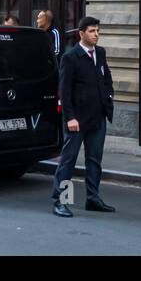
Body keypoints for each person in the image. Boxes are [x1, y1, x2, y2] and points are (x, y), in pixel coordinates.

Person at [52, 16, 115, 217]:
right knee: (68, 161)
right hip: (76, 119)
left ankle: (93, 198)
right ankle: (61, 201)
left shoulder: (101, 53)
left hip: (98, 118)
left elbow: (107, 78)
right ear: (81, 34)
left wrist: (108, 97)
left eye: (97, 31)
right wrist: (70, 117)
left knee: (94, 160)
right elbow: (65, 90)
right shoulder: (70, 57)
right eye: (91, 31)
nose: (96, 34)